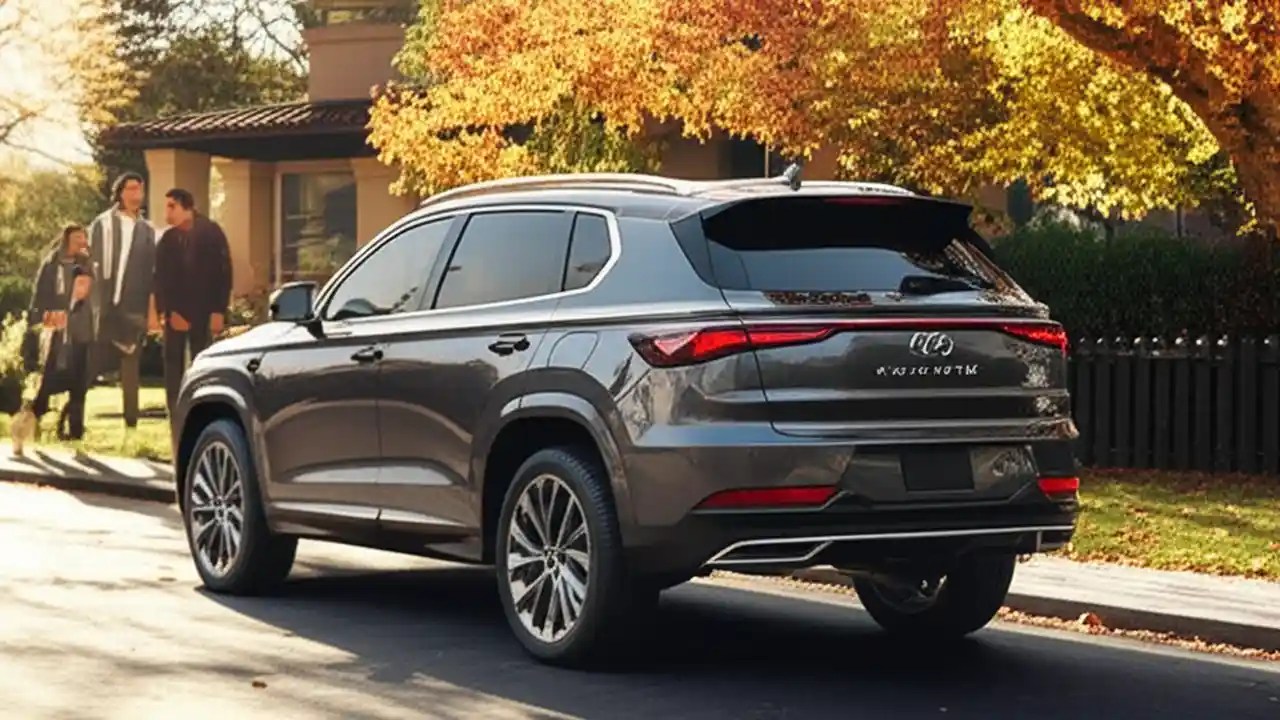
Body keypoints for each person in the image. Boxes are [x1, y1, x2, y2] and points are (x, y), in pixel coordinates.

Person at [88, 172, 156, 428]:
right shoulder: (103, 224)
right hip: (103, 304)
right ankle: (70, 416)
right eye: (131, 189)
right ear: (120, 192)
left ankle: (131, 421)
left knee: (131, 364)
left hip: (133, 307)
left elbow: (152, 273)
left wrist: (151, 311)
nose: (136, 195)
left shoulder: (148, 230)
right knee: (89, 362)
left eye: (139, 189)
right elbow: (89, 263)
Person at [154, 187, 232, 413]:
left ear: (186, 207)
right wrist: (169, 312)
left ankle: (200, 410)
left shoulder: (211, 232)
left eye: (172, 206)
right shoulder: (167, 239)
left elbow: (223, 273)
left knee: (203, 363)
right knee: (173, 368)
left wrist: (219, 311)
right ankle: (175, 418)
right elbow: (161, 279)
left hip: (205, 311)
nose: (167, 212)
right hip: (175, 314)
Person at [26, 227, 96, 440]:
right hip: (54, 325)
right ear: (66, 240)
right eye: (76, 238)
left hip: (79, 327)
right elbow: (39, 294)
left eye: (83, 237)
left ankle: (75, 431)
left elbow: (88, 293)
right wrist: (36, 319)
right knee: (48, 378)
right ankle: (32, 419)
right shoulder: (51, 262)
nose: (80, 241)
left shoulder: (85, 263)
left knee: (79, 382)